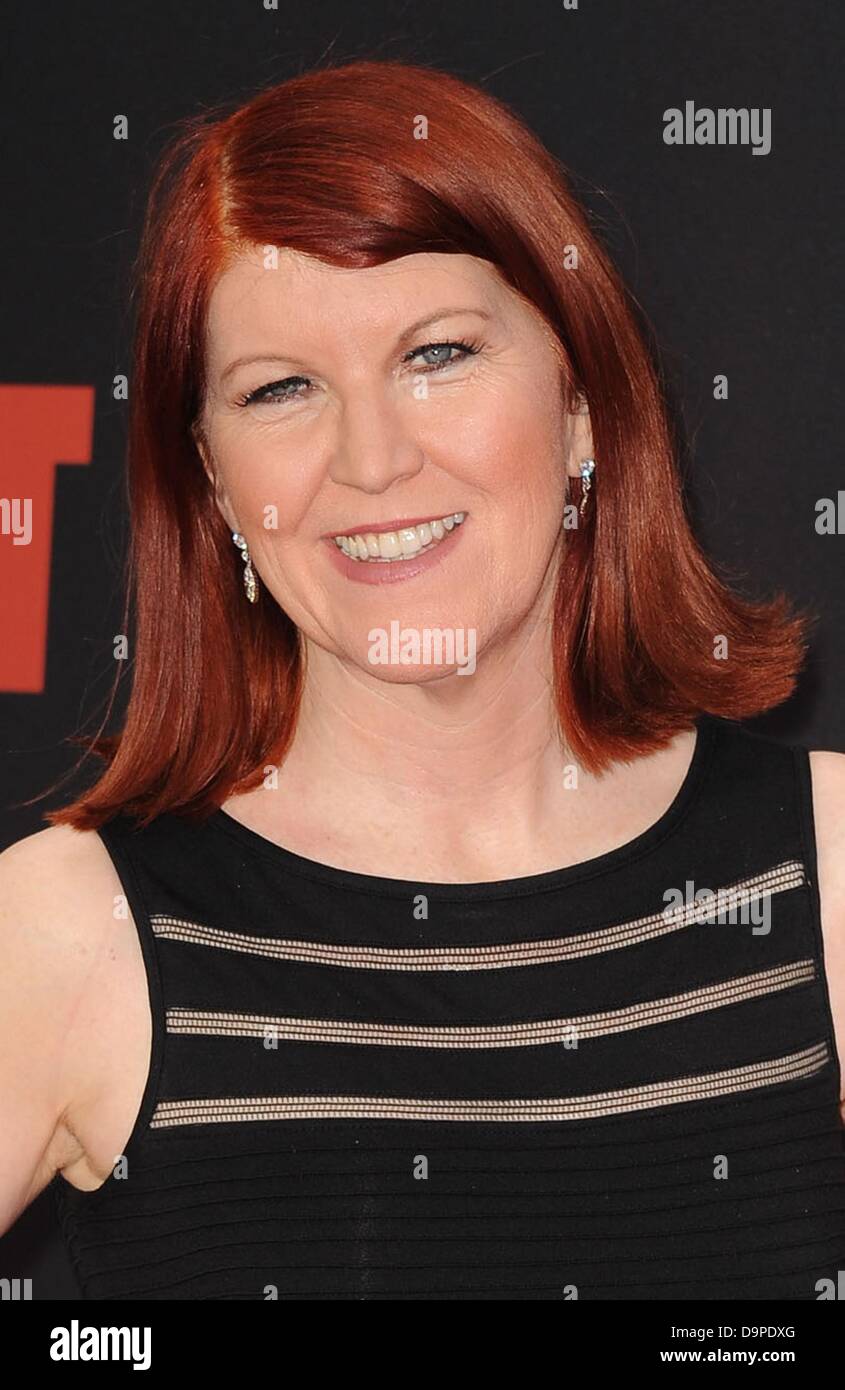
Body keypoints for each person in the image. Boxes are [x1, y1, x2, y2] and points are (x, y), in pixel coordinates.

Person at [1, 58, 843, 1301]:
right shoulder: (67, 933)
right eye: (280, 388)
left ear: (581, 405)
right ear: (217, 485)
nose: (372, 459)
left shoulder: (824, 866)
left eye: (436, 354)